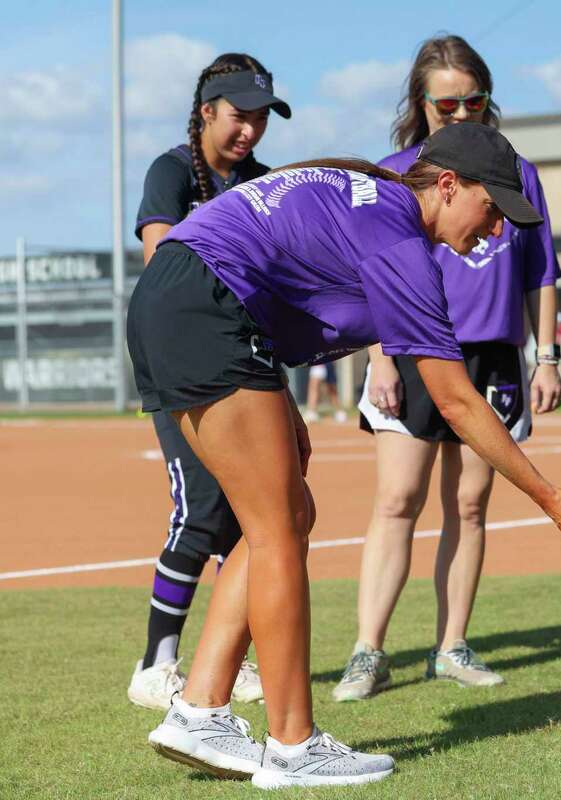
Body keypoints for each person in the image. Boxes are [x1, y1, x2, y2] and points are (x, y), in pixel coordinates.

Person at [126, 122, 561, 789]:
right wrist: (551, 498)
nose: (497, 230)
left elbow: (264, 262)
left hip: (181, 300)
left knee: (289, 514)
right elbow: (457, 402)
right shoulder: (400, 238)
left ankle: (200, 711)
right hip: (205, 309)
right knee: (276, 530)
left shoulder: (371, 197)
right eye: (492, 207)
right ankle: (293, 745)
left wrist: (282, 402)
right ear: (448, 185)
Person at [332, 35, 561, 699]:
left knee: (469, 504)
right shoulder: (393, 172)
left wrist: (546, 357)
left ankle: (452, 646)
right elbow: (366, 276)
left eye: (474, 101)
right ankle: (368, 651)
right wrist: (378, 358)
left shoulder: (517, 172)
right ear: (421, 103)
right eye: (447, 103)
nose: (462, 113)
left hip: (492, 352)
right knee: (397, 499)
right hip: (407, 349)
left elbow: (541, 270)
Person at [127, 52, 290, 711]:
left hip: (247, 359)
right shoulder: (170, 171)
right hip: (183, 357)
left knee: (250, 516)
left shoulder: (263, 183)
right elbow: (160, 263)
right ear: (206, 112)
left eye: (261, 118)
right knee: (200, 507)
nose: (250, 130)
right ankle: (155, 663)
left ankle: (231, 660)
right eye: (239, 116)